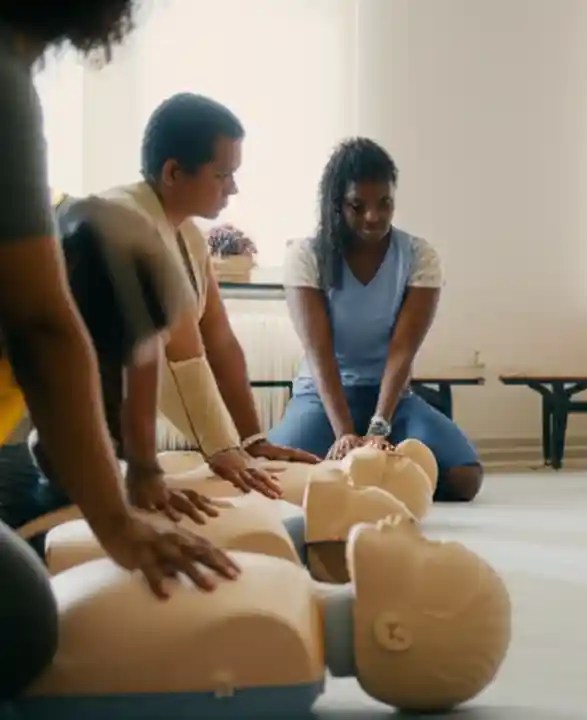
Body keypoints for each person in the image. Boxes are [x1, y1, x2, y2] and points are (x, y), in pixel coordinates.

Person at [0, 0, 237, 701]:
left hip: (25, 440)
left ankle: (56, 477)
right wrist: (115, 523)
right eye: (221, 174)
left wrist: (145, 468)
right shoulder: (101, 224)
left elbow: (161, 350)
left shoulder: (140, 232)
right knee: (19, 620)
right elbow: (48, 328)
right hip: (21, 451)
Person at [99, 92, 319, 502]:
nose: (233, 188)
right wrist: (223, 449)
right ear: (173, 172)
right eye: (221, 175)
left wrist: (251, 440)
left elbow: (218, 339)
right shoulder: (127, 222)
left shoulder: (189, 237)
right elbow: (180, 357)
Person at [268, 137, 483, 502]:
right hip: (322, 398)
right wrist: (345, 436)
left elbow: (402, 350)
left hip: (391, 398)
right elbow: (319, 352)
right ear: (337, 205)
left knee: (465, 478)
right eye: (358, 206)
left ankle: (367, 478)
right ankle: (365, 474)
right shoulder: (306, 255)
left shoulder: (419, 256)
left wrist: (379, 428)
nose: (374, 216)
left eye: (384, 204)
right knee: (274, 479)